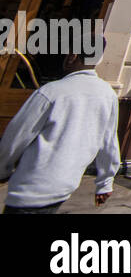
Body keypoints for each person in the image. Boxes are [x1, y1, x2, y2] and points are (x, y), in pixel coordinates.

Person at [0, 51, 120, 213]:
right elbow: (109, 142)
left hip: (31, 188)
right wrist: (105, 183)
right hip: (64, 186)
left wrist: (2, 169)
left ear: (72, 57)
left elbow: (15, 138)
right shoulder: (107, 94)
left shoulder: (51, 92)